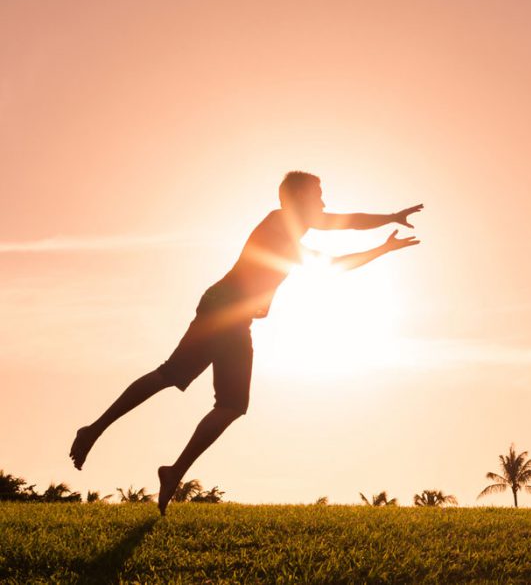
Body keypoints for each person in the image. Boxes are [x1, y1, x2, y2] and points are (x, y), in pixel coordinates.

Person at [69, 171, 422, 514]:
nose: (323, 201)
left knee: (230, 404)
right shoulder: (279, 222)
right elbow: (342, 226)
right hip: (223, 309)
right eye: (318, 194)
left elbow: (338, 246)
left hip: (236, 318)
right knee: (173, 376)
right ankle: (95, 431)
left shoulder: (293, 237)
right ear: (299, 197)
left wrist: (384, 240)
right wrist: (387, 227)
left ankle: (173, 471)